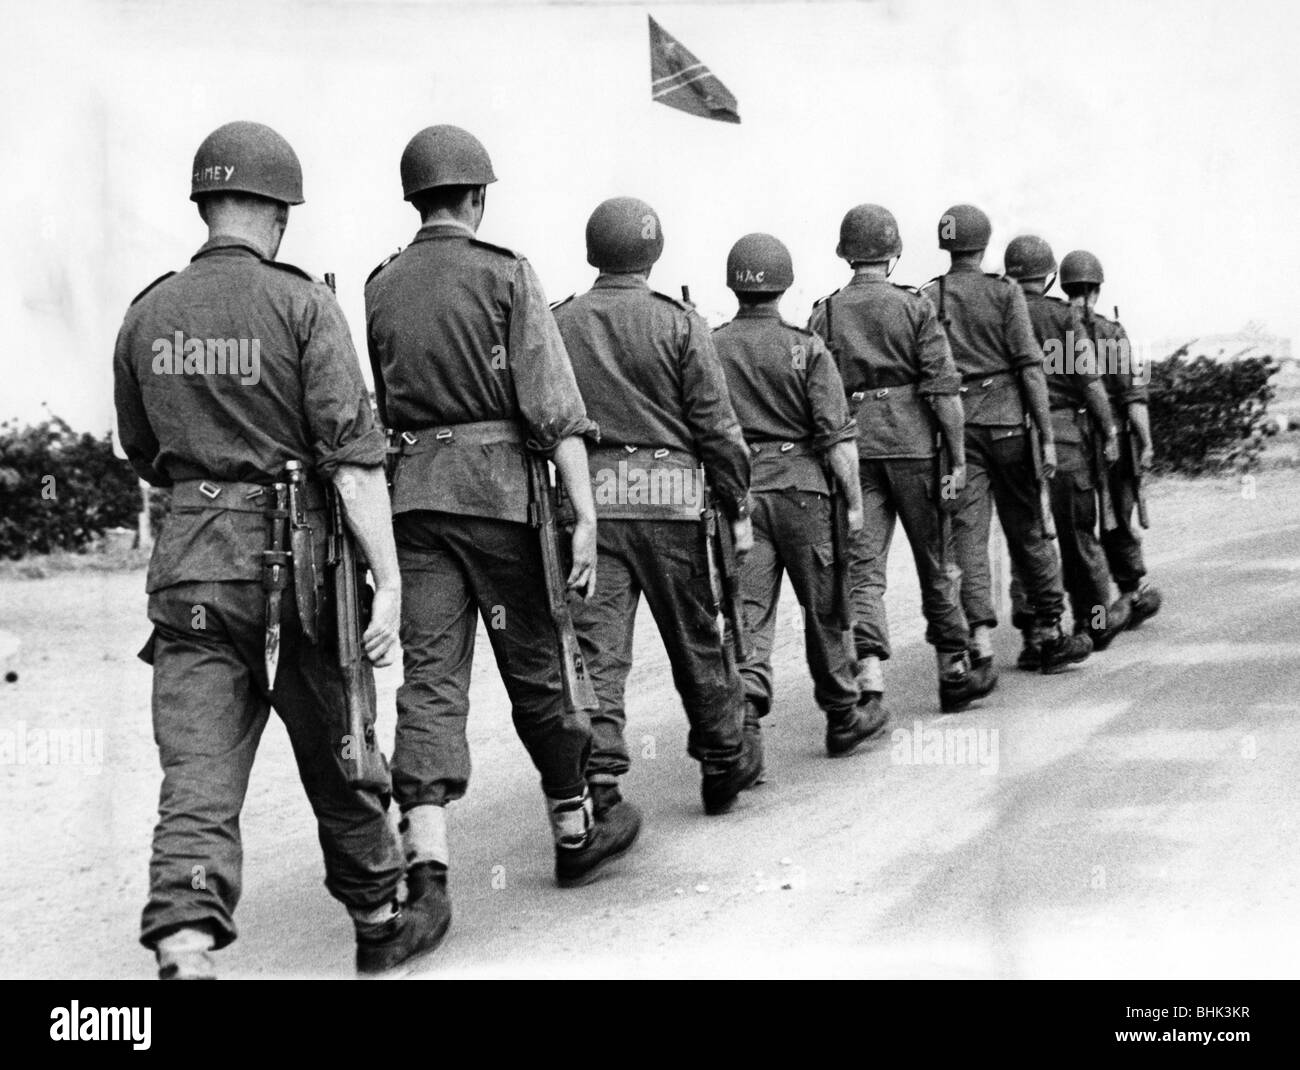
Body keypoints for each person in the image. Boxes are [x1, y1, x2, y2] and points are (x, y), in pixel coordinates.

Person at [113, 120, 444, 978]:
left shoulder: (148, 311)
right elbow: (355, 466)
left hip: (189, 568)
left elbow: (143, 449)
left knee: (196, 774)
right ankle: (378, 915)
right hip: (297, 571)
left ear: (206, 203)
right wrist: (393, 584)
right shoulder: (304, 305)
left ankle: (185, 944)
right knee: (338, 746)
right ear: (279, 212)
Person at [365, 127, 639, 925]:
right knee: (539, 667)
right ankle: (575, 828)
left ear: (416, 197)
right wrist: (584, 513)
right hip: (499, 503)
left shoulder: (381, 285)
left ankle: (428, 871)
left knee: (430, 681)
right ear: (478, 196)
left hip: (413, 504)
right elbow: (555, 411)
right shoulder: (506, 274)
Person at [552, 197, 762, 817]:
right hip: (673, 504)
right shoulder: (681, 322)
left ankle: (602, 785)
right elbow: (716, 427)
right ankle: (723, 757)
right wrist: (737, 501)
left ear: (594, 252)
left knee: (596, 652)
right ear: (654, 252)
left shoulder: (561, 322)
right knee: (698, 636)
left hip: (594, 505)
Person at [713, 232, 887, 767]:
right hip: (805, 491)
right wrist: (854, 503)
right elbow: (836, 437)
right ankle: (842, 714)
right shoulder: (806, 347)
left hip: (741, 492)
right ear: (784, 284)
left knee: (746, 612)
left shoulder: (711, 345)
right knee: (826, 607)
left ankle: (745, 723)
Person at [809, 205, 992, 715]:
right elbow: (943, 390)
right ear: (893, 253)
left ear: (846, 253)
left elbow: (818, 397)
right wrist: (956, 457)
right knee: (937, 559)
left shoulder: (824, 312)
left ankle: (869, 679)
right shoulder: (914, 307)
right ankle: (953, 669)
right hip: (914, 446)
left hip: (855, 449)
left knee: (863, 569)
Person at [921, 205, 1092, 677]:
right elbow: (1029, 367)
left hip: (958, 433)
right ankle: (1049, 633)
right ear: (984, 243)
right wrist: (1047, 436)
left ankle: (980, 644)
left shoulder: (929, 296)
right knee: (1030, 530)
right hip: (1010, 429)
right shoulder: (1005, 292)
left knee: (968, 539)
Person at [1002, 235, 1129, 668]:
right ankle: (1093, 622)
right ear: (1049, 274)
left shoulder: (1001, 311)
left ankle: (1038, 634)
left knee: (1028, 538)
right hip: (1066, 437)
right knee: (1078, 537)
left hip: (1014, 439)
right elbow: (1090, 383)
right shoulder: (1061, 318)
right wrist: (1109, 430)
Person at [1060, 249, 1162, 627]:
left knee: (1078, 528)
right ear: (1097, 288)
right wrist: (1147, 443)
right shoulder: (1112, 332)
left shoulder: (1054, 328)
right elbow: (1135, 399)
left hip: (1069, 438)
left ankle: (1090, 609)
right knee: (1118, 517)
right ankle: (1129, 592)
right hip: (1114, 440)